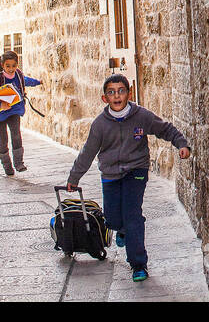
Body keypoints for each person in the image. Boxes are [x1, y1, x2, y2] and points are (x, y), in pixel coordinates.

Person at [66, 74, 191, 282]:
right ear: (104, 98)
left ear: (129, 93)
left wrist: (182, 144)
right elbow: (87, 152)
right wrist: (74, 178)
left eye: (121, 90)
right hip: (111, 174)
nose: (117, 95)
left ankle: (138, 264)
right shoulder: (99, 125)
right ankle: (122, 230)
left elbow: (164, 128)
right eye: (111, 92)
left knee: (133, 216)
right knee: (113, 218)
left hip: (136, 170)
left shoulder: (141, 116)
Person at [0, 50, 42, 176]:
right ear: (2, 66)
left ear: (17, 65)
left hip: (14, 112)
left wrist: (38, 82)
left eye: (13, 66)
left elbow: (26, 81)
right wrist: (0, 105)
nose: (11, 69)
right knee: (3, 140)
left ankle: (19, 163)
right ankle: (7, 166)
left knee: (16, 135)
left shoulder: (19, 76)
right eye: (8, 66)